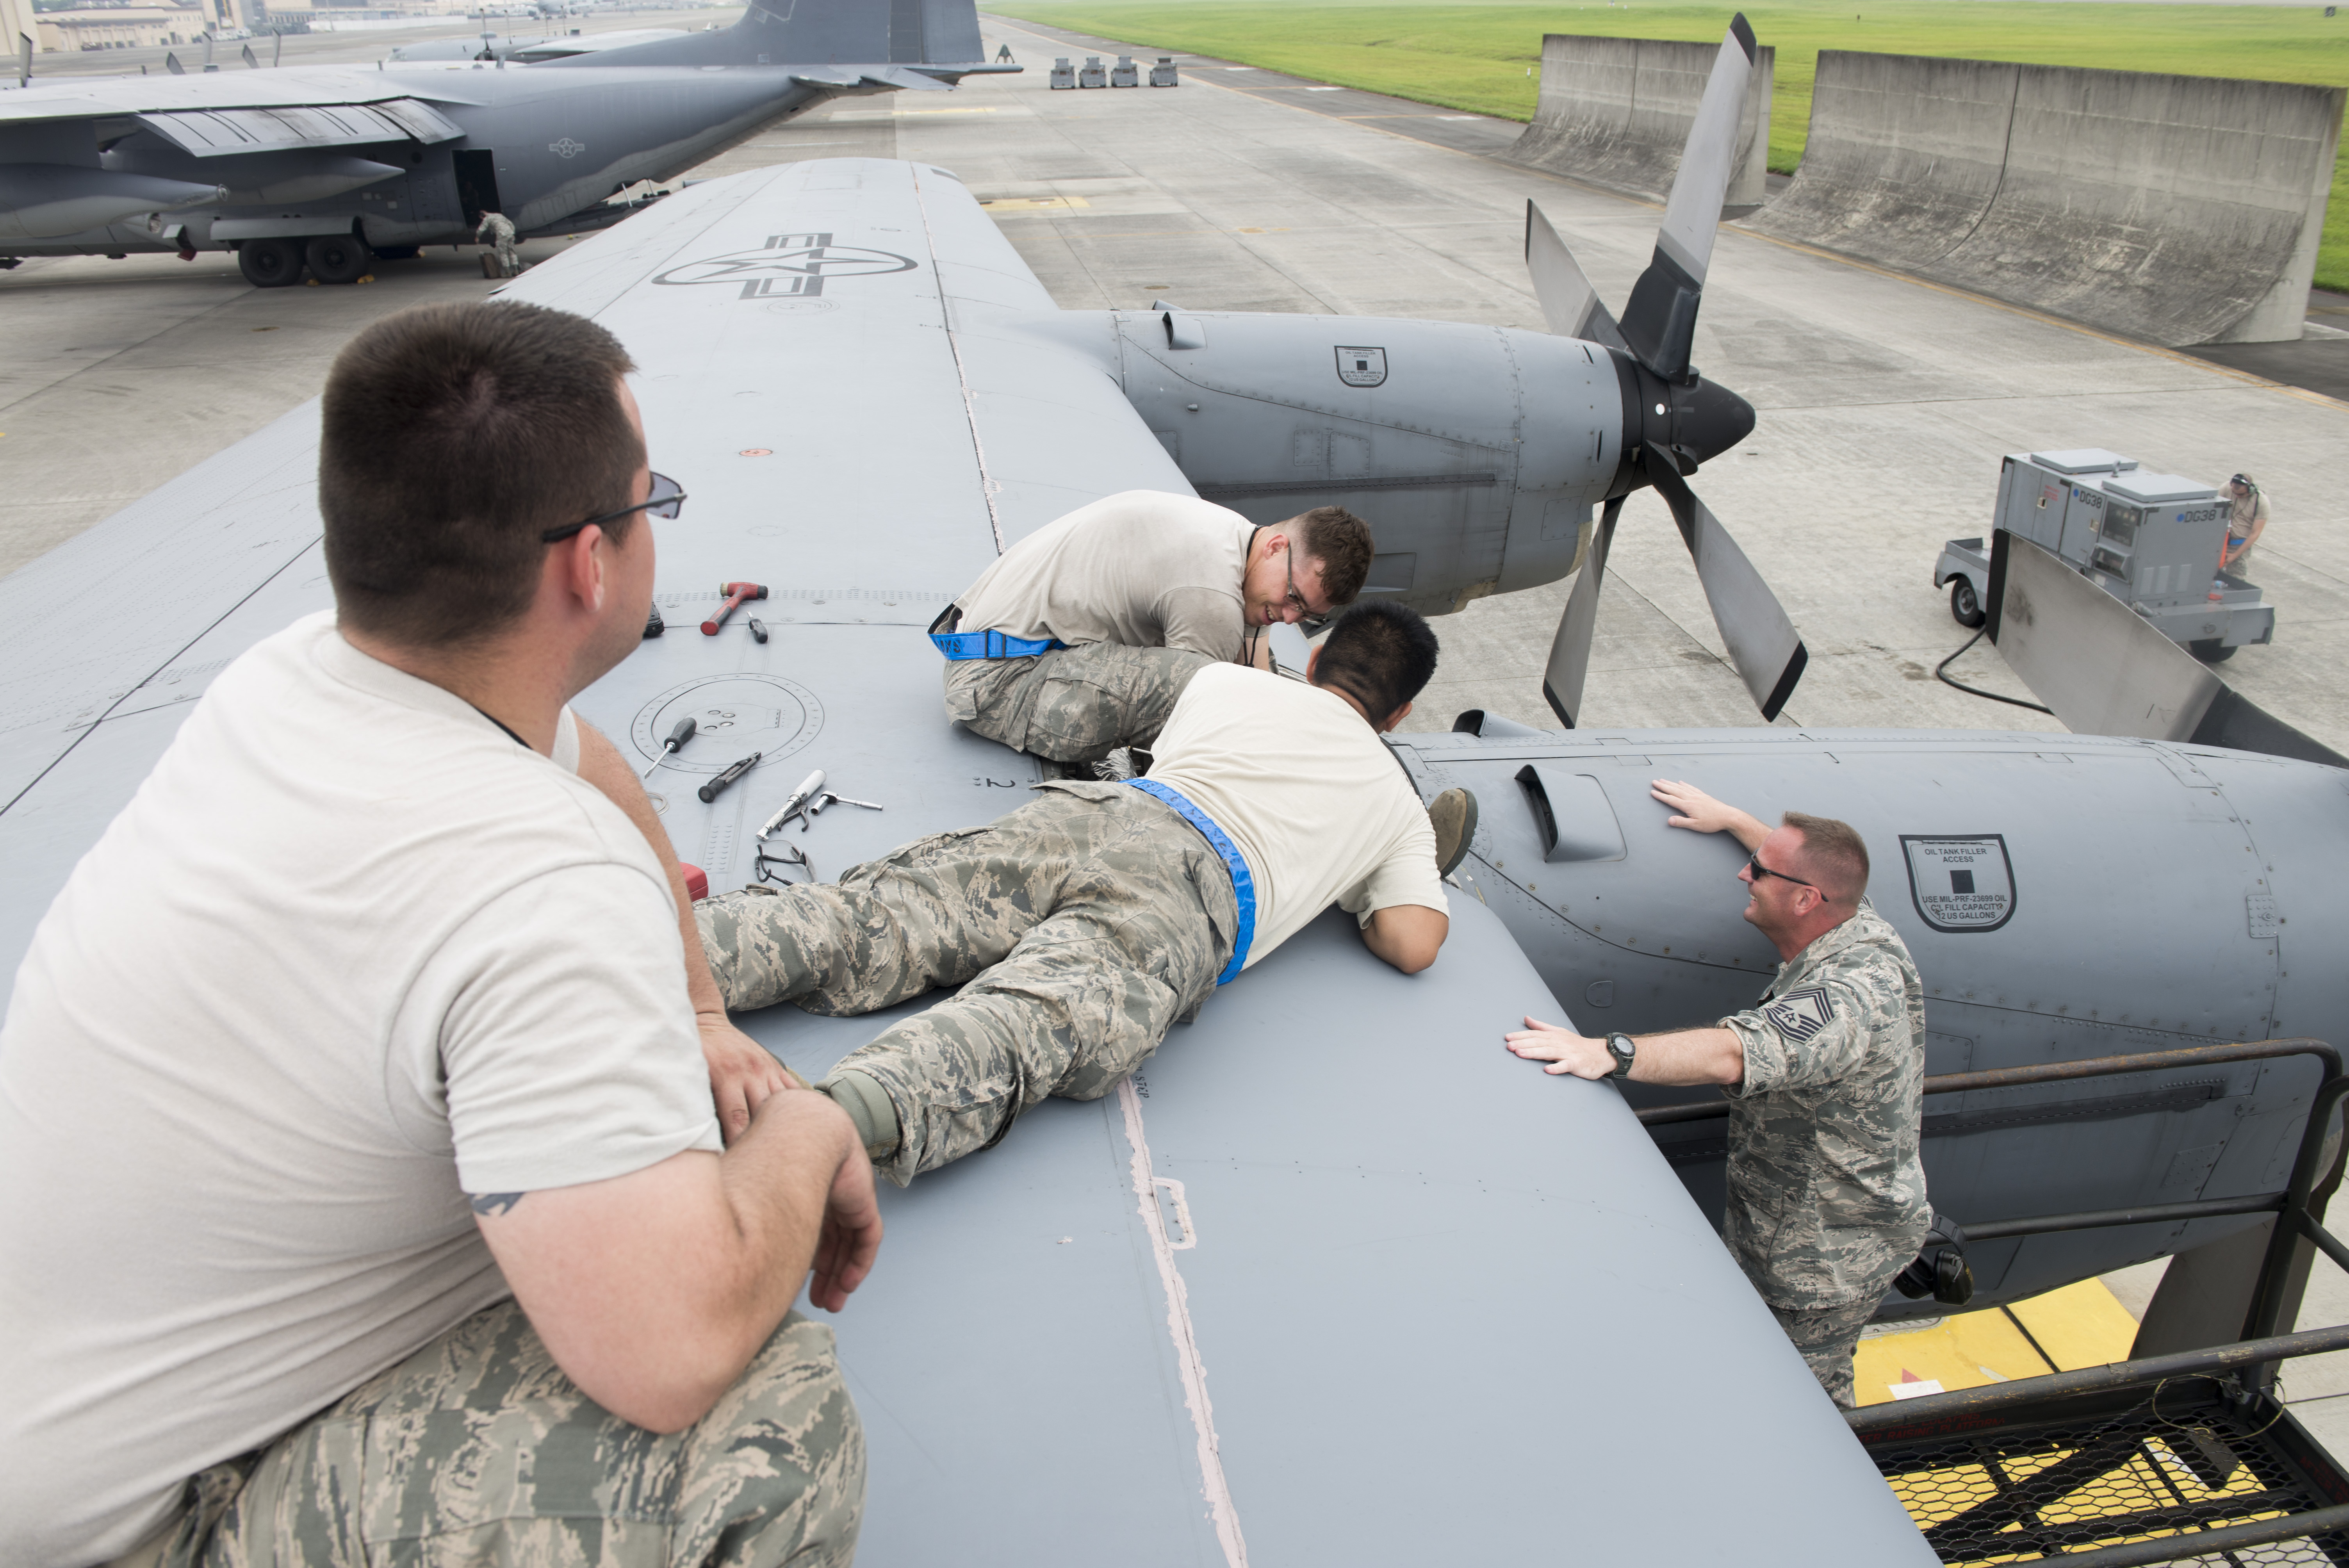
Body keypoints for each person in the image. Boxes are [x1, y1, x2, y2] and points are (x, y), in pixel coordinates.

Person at [0, 301, 880, 1568]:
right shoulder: (536, 879)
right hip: (139, 1523)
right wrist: (811, 1132)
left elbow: (588, 758)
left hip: (79, 1409)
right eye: (654, 504)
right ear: (588, 566)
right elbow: (670, 1350)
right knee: (765, 1425)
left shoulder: (301, 678)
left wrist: (696, 1009)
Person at [700, 600, 1455, 1187]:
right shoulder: (1393, 801)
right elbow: (1413, 943)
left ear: (1316, 659)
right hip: (1192, 892)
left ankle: (670, 956)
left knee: (879, 916)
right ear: (1400, 715)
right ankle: (823, 1130)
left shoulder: (1225, 681)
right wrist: (1365, 871)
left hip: (1099, 813)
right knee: (1029, 1018)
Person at [1500, 781, 1927, 1408]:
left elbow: (1735, 1052)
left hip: (1819, 1256)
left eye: (1760, 870)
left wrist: (1610, 1053)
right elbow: (1810, 869)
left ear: (1806, 900)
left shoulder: (1849, 998)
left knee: (1800, 1403)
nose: (1744, 875)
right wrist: (1733, 819)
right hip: (1801, 1221)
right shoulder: (1855, 922)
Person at [930, 489, 1374, 767]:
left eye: (1309, 615)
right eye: (1293, 597)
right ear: (1277, 546)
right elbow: (1210, 714)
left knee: (1247, 678)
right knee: (1211, 688)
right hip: (997, 683)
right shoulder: (1210, 594)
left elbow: (1256, 665)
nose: (1292, 618)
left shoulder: (1234, 538)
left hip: (994, 646)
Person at [2222, 473, 2269, 577]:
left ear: (2251, 489)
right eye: (2235, 493)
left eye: (2241, 495)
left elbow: (2255, 533)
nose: (2237, 496)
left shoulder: (2261, 502)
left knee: (2236, 578)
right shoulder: (2226, 488)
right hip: (2220, 541)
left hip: (2239, 545)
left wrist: (2235, 556)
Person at [476, 208, 520, 277]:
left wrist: (477, 237)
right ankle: (516, 271)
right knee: (512, 252)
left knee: (503, 254)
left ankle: (508, 273)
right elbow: (510, 223)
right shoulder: (498, 215)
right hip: (510, 233)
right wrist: (513, 233)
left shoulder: (487, 219)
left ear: (481, 216)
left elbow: (481, 230)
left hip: (502, 235)